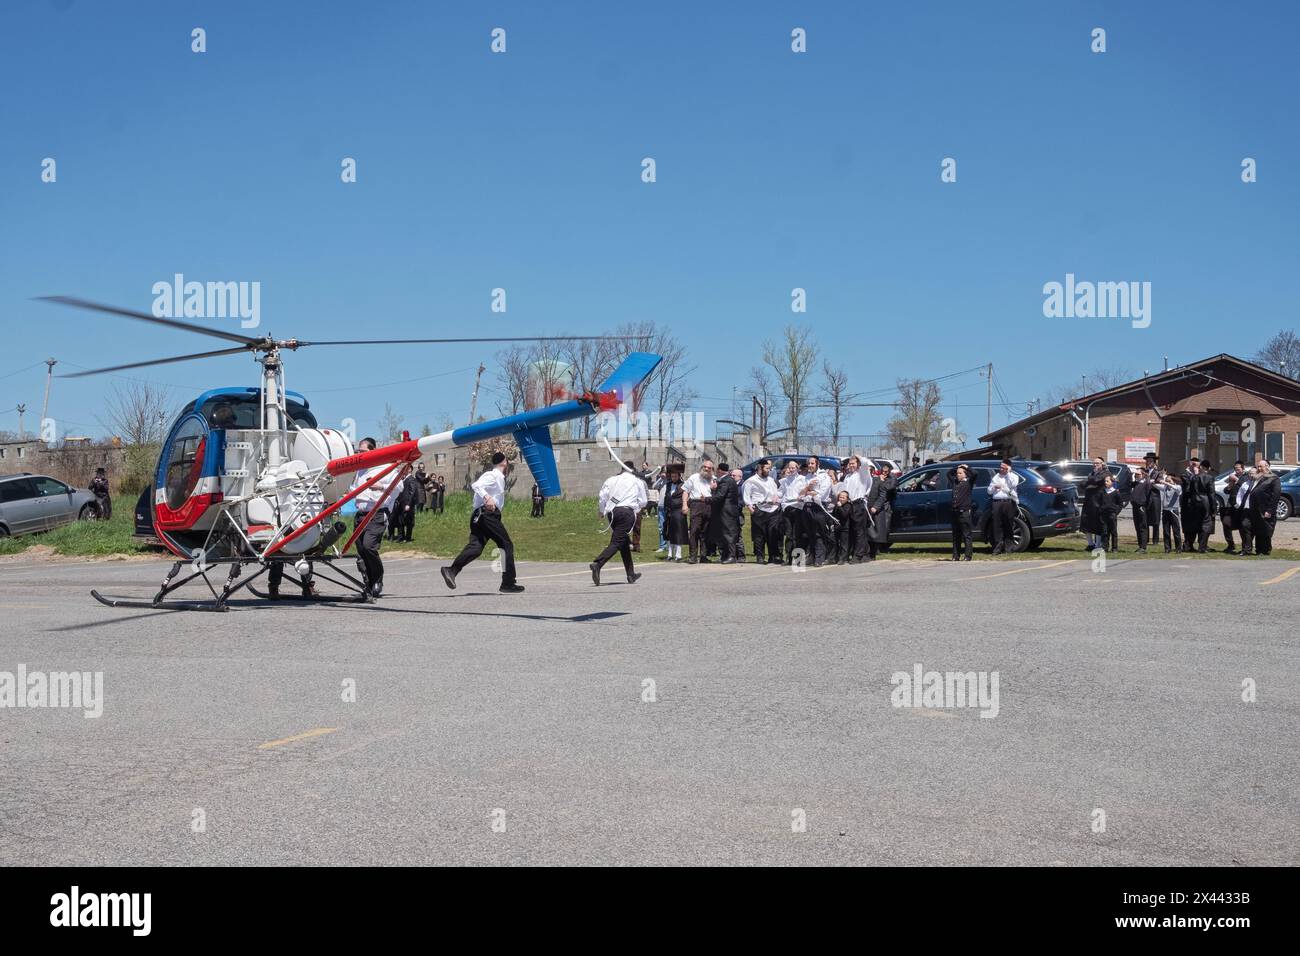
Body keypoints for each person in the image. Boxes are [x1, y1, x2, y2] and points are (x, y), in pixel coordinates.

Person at [441, 452, 524, 593]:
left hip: (480, 516)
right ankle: (508, 583)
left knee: (476, 547)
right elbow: (476, 485)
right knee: (506, 544)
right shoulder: (493, 475)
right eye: (507, 460)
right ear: (504, 462)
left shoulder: (498, 477)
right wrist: (487, 498)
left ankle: (451, 571)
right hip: (487, 515)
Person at [349, 437, 403, 598]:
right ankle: (368, 583)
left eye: (363, 452)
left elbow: (399, 487)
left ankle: (378, 580)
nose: (360, 454)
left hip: (377, 513)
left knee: (369, 547)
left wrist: (380, 486)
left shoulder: (386, 468)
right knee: (361, 552)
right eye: (358, 452)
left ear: (372, 451)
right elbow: (354, 488)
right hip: (361, 514)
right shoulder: (360, 470)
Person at [590, 461, 647, 586]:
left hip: (612, 513)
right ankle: (597, 564)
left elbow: (602, 496)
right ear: (633, 469)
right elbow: (643, 501)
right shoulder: (638, 481)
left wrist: (601, 511)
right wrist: (636, 509)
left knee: (624, 543)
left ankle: (631, 574)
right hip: (626, 513)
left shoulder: (611, 479)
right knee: (617, 542)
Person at [742, 458, 782, 564]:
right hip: (759, 509)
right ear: (760, 468)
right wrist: (751, 509)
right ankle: (760, 557)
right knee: (759, 535)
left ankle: (772, 556)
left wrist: (776, 498)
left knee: (772, 533)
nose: (769, 470)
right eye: (767, 468)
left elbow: (777, 492)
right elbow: (746, 496)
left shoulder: (771, 480)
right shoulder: (751, 481)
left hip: (773, 510)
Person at [798, 456, 833, 566]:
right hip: (807, 506)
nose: (810, 465)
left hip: (819, 507)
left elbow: (821, 494)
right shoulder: (807, 477)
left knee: (819, 533)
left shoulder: (824, 476)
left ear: (818, 464)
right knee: (810, 533)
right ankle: (812, 556)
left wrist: (810, 492)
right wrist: (809, 489)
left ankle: (819, 558)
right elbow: (801, 494)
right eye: (809, 463)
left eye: (812, 463)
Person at [683, 459, 716, 564]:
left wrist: (714, 489)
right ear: (701, 467)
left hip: (709, 505)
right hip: (696, 504)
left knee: (706, 532)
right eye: (704, 467)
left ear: (712, 469)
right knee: (694, 531)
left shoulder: (714, 479)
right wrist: (684, 505)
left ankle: (703, 556)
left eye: (709, 468)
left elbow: (718, 496)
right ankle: (693, 556)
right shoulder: (694, 477)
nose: (706, 469)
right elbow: (685, 491)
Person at [840, 456, 872, 563]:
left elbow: (865, 463)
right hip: (849, 504)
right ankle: (853, 553)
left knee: (859, 532)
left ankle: (858, 555)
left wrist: (857, 456)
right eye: (850, 463)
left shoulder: (862, 474)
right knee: (851, 532)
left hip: (858, 504)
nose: (851, 465)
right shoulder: (847, 476)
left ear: (858, 464)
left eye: (853, 463)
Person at [987, 459, 1020, 554]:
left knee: (1008, 525)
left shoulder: (1013, 476)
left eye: (1003, 467)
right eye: (1000, 467)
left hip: (1008, 502)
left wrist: (1008, 473)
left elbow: (1013, 484)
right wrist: (993, 487)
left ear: (1008, 468)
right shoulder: (996, 477)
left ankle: (1009, 547)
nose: (1001, 469)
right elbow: (989, 491)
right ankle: (998, 547)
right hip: (997, 502)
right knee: (997, 525)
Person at [710, 461, 741, 563]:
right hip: (728, 511)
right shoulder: (729, 480)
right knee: (724, 533)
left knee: (728, 533)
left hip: (727, 512)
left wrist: (706, 498)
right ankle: (725, 556)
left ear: (719, 470)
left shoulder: (725, 481)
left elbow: (720, 496)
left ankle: (732, 556)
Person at [1180, 459, 1214, 553]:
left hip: (1198, 504)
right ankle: (1188, 545)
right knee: (1191, 526)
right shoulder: (1185, 475)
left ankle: (1202, 545)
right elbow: (1187, 490)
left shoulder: (1202, 476)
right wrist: (1195, 476)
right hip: (1189, 505)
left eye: (1198, 466)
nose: (1196, 468)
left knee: (1200, 525)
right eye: (1194, 465)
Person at [864, 462, 896, 560]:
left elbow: (887, 489)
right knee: (870, 531)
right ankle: (870, 551)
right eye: (883, 471)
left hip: (883, 507)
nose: (885, 473)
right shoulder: (870, 480)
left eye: (887, 471)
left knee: (880, 530)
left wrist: (882, 481)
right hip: (870, 507)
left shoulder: (891, 479)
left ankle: (876, 550)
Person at [778, 460, 806, 565]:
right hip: (787, 507)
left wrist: (802, 497)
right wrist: (776, 496)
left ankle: (798, 559)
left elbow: (806, 490)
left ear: (797, 468)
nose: (791, 469)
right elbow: (780, 492)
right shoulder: (785, 480)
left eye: (793, 467)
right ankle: (788, 558)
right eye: (789, 467)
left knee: (797, 534)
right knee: (789, 535)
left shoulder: (802, 479)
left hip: (798, 507)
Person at [1250, 460, 1280, 556]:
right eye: (1258, 467)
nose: (1259, 469)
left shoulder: (1274, 478)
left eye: (1260, 467)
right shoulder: (1260, 478)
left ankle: (1266, 550)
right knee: (1258, 530)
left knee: (1266, 530)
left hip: (1266, 509)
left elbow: (1276, 496)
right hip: (1256, 509)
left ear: (1267, 466)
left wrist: (1270, 510)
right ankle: (1259, 550)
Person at [660, 462, 688, 561]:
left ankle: (678, 555)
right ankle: (670, 554)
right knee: (668, 533)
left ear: (679, 476)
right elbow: (666, 497)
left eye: (675, 476)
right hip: (669, 511)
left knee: (678, 533)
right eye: (672, 476)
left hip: (679, 512)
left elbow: (686, 497)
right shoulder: (668, 485)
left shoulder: (683, 485)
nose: (673, 478)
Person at [1128, 465, 1159, 553]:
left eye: (1138, 474)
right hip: (1135, 507)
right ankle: (1140, 545)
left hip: (1141, 507)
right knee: (1137, 526)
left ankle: (1143, 547)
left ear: (1143, 474)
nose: (1136, 475)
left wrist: (1144, 506)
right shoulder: (1137, 483)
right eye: (1136, 474)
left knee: (1142, 527)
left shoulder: (1146, 483)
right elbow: (1130, 483)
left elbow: (1149, 496)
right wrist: (1132, 476)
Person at [1080, 458, 1108, 551]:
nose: (1095, 465)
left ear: (1102, 464)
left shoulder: (1105, 473)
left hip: (1098, 502)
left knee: (1097, 523)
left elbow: (1097, 481)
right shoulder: (1091, 473)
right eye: (1094, 463)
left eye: (1097, 463)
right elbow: (1082, 484)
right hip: (1088, 501)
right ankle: (1090, 544)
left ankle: (1097, 545)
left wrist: (1090, 482)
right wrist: (1091, 483)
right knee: (1086, 523)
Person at [949, 463, 975, 561]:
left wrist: (967, 467)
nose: (957, 475)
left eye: (960, 473)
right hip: (955, 512)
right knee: (956, 535)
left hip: (964, 512)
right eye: (957, 473)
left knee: (966, 535)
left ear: (965, 474)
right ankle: (956, 555)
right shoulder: (955, 482)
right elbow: (948, 473)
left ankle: (968, 555)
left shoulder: (968, 482)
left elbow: (975, 474)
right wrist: (957, 467)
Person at [1220, 461, 1246, 554]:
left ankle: (1245, 547)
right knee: (1226, 523)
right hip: (1231, 505)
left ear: (1243, 469)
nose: (1236, 471)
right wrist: (1229, 486)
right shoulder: (1233, 477)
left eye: (1238, 469)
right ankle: (1230, 544)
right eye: (1235, 469)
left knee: (1242, 527)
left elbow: (1244, 485)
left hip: (1240, 506)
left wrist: (1236, 479)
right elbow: (1226, 491)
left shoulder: (1245, 477)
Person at [1158, 472, 1183, 553]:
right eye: (1166, 480)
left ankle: (1178, 548)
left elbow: (1175, 487)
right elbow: (1155, 485)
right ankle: (1167, 548)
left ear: (1173, 479)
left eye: (1169, 479)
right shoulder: (1165, 487)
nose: (1167, 481)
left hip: (1173, 511)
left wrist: (1166, 482)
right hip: (1165, 510)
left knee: (1176, 530)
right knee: (1166, 531)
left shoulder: (1178, 487)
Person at [1100, 473, 1122, 552]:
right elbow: (1099, 502)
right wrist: (1101, 510)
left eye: (1107, 481)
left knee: (1113, 531)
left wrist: (1116, 512)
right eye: (1105, 481)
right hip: (1103, 514)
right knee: (1104, 531)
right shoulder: (1102, 491)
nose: (1105, 482)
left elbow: (1120, 504)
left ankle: (1114, 548)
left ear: (1112, 482)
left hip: (1112, 514)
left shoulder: (1116, 492)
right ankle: (1105, 547)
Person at [830, 490, 853, 564]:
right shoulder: (837, 505)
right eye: (840, 497)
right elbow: (833, 515)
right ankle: (833, 558)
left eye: (843, 497)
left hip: (845, 527)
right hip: (837, 527)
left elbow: (845, 515)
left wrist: (840, 507)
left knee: (844, 544)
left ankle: (843, 559)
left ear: (847, 498)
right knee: (834, 542)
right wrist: (832, 524)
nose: (841, 499)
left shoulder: (848, 505)